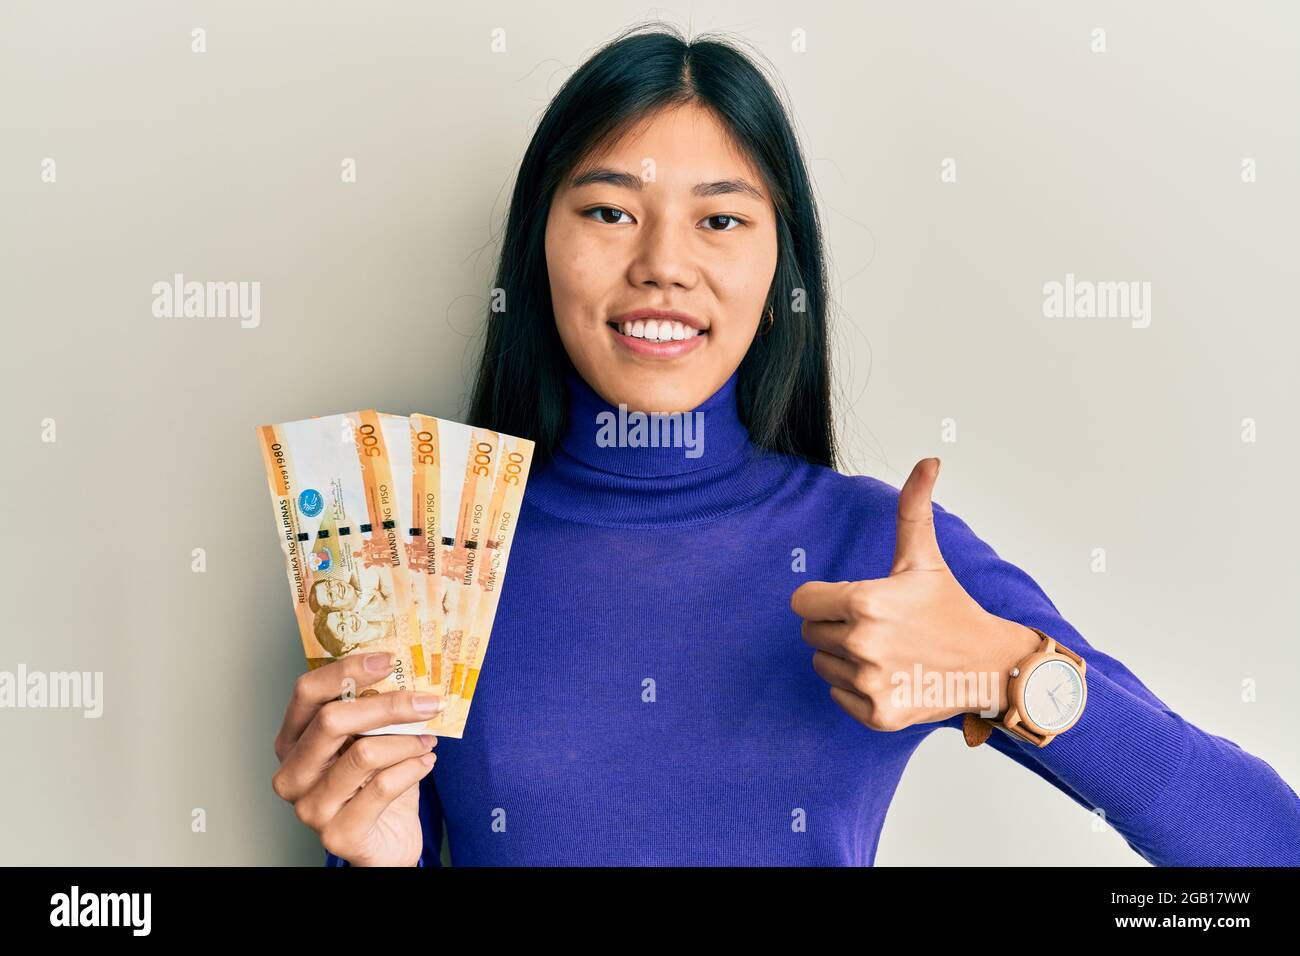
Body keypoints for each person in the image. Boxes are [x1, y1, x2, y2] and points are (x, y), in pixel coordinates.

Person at [271, 24, 1300, 867]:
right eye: (607, 210)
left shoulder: (880, 551)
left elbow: (1266, 843)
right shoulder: (422, 553)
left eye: (720, 220)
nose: (662, 263)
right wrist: (379, 865)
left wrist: (1000, 665)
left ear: (779, 278)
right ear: (538, 249)